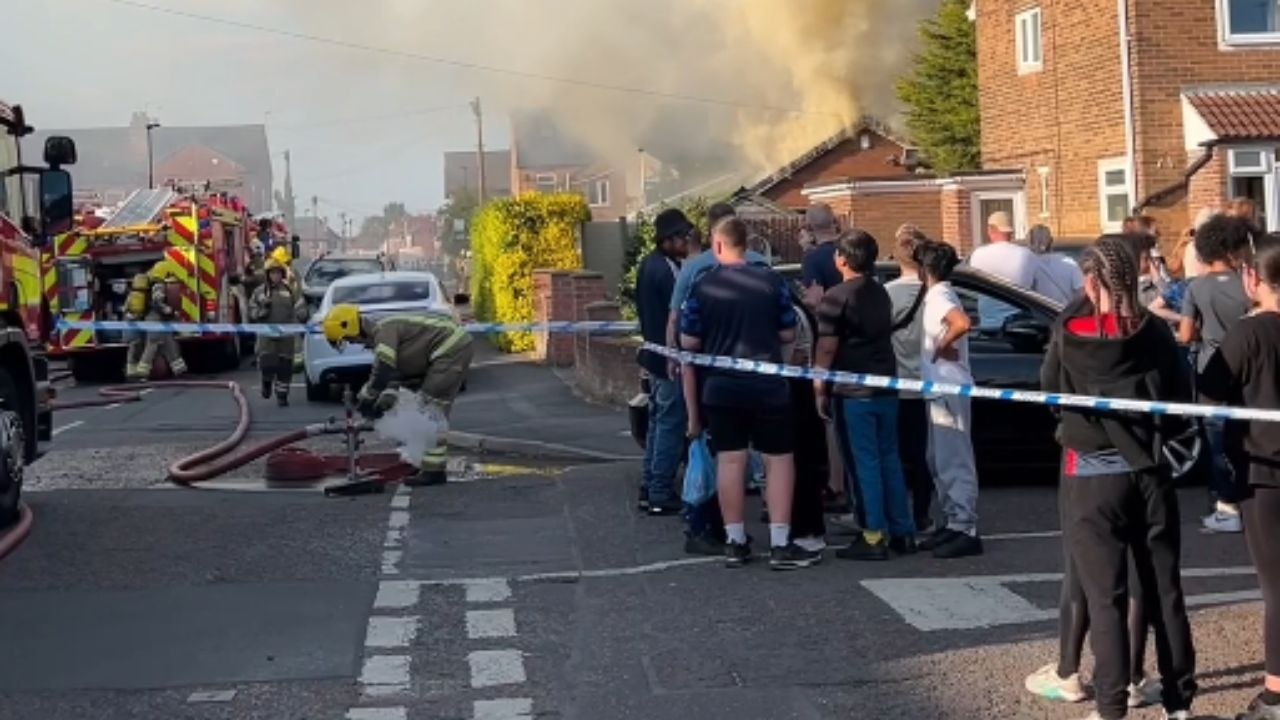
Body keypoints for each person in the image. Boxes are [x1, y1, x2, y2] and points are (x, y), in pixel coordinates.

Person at [1040, 236, 1197, 720]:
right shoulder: (1153, 332)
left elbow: (1050, 392)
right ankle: (1178, 703)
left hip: (1090, 476)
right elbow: (1180, 397)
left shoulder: (1068, 332)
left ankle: (1111, 707)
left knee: (1104, 598)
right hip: (1149, 473)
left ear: (1090, 282)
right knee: (1164, 590)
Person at [680, 217, 819, 570]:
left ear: (718, 244)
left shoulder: (702, 285)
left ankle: (735, 540)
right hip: (768, 383)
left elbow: (689, 340)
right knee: (778, 460)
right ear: (747, 244)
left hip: (721, 386)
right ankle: (780, 543)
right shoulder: (771, 281)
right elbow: (788, 333)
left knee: (730, 460)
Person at [1199, 233, 1280, 720]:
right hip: (1263, 467)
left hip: (1264, 472)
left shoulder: (1248, 335)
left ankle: (1276, 693)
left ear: (1254, 278)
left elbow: (1208, 390)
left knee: (1276, 585)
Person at [814, 229, 914, 561]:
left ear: (842, 259)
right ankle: (902, 531)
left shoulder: (836, 296)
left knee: (862, 464)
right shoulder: (880, 292)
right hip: (886, 385)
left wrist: (819, 387)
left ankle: (872, 535)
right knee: (889, 459)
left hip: (853, 391)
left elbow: (827, 348)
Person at [321, 303, 473, 487]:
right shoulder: (382, 336)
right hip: (444, 352)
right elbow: (395, 375)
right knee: (428, 411)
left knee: (430, 409)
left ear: (351, 327)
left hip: (450, 350)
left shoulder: (385, 332)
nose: (352, 343)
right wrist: (385, 399)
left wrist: (368, 397)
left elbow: (383, 369)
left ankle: (434, 471)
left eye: (348, 339)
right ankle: (429, 466)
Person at [1179, 214, 1252, 533]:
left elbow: (1185, 334)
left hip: (1212, 369)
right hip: (1247, 368)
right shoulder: (1247, 284)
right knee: (1249, 436)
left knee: (1216, 441)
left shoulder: (1196, 288)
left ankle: (1226, 506)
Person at [915, 240, 983, 558]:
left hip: (948, 387)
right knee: (937, 459)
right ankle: (953, 521)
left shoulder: (939, 296)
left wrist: (942, 346)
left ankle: (965, 527)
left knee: (954, 460)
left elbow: (962, 323)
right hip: (939, 388)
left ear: (924, 269)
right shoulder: (940, 294)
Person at [636, 208, 691, 515]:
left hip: (655, 355)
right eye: (681, 236)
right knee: (670, 424)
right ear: (667, 239)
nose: (686, 241)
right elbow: (677, 314)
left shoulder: (650, 264)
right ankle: (659, 490)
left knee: (658, 422)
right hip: (669, 358)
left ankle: (649, 486)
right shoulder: (666, 270)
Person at [884, 225, 933, 532]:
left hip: (897, 384)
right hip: (928, 384)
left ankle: (899, 517)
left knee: (897, 456)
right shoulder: (934, 293)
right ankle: (922, 514)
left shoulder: (887, 294)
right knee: (923, 457)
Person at [250, 256, 308, 406]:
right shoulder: (259, 292)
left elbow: (300, 305)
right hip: (267, 336)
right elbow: (252, 310)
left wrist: (302, 314)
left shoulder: (290, 290)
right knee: (267, 364)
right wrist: (260, 313)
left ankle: (282, 396)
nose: (275, 276)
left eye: (278, 273)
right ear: (267, 274)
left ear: (282, 274)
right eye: (272, 273)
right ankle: (266, 383)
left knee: (285, 368)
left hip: (286, 336)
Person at [969, 211, 1037, 329]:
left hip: (989, 327)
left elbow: (971, 286)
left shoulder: (978, 254)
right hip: (1020, 326)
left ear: (991, 229)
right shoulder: (1027, 255)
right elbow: (1036, 288)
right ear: (1010, 231)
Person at [135, 260, 188, 380]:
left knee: (169, 343)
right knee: (152, 345)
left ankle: (179, 370)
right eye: (168, 273)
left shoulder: (152, 283)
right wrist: (170, 311)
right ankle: (142, 373)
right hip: (155, 320)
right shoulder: (158, 285)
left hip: (158, 320)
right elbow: (157, 302)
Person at [799, 203, 843, 309]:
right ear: (834, 222)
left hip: (833, 317)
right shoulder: (851, 250)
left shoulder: (813, 259)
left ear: (809, 227)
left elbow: (814, 301)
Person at [1029, 224, 1085, 306]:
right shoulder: (1070, 263)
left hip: (1039, 312)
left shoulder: (1028, 266)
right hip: (1066, 311)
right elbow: (1081, 293)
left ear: (1030, 243)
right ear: (1051, 241)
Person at [123, 269, 153, 381]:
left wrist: (129, 316)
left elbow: (125, 309)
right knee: (142, 346)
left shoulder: (131, 295)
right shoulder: (147, 295)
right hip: (141, 322)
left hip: (131, 323)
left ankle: (131, 371)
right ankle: (140, 372)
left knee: (133, 346)